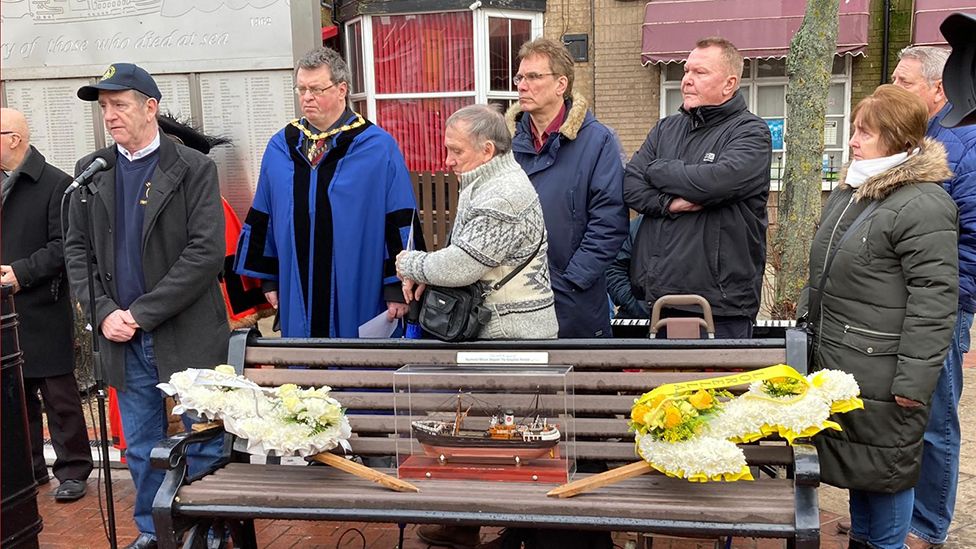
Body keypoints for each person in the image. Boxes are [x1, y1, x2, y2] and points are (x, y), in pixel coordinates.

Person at [65, 63, 229, 549]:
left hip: (187, 332)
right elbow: (77, 251)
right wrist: (103, 314)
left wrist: (140, 313)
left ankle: (209, 528)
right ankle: (154, 532)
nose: (110, 116)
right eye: (104, 108)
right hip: (122, 333)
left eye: (120, 105)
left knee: (203, 437)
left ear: (150, 107)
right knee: (139, 446)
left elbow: (204, 254)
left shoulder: (194, 168)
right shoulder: (92, 172)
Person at [800, 84, 958, 549]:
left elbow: (934, 300)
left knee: (887, 474)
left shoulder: (922, 204)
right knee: (863, 473)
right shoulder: (855, 191)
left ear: (897, 139)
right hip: (848, 366)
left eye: (864, 133)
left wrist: (912, 382)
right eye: (854, 130)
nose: (852, 141)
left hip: (886, 371)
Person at [234, 47, 423, 337]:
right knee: (303, 373)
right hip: (298, 289)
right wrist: (270, 281)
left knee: (356, 371)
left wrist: (395, 286)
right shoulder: (282, 147)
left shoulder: (375, 147)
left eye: (316, 89)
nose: (307, 97)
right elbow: (265, 213)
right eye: (301, 89)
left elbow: (399, 218)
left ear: (341, 90)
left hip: (358, 285)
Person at [623, 37, 771, 338]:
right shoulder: (666, 128)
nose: (687, 80)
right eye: (686, 71)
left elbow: (715, 182)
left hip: (719, 307)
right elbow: (631, 185)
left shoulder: (751, 133)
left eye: (699, 73)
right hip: (659, 300)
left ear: (729, 84)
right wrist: (668, 203)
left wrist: (658, 169)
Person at [892, 46, 976, 549]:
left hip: (938, 309)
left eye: (903, 82)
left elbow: (971, 245)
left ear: (937, 90)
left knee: (935, 420)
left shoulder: (964, 148)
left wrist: (943, 301)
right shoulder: (914, 141)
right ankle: (901, 514)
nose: (892, 88)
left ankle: (926, 527)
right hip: (902, 304)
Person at [396, 104, 558, 341]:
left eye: (457, 151)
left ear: (487, 150)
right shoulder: (491, 183)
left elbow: (460, 266)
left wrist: (408, 264)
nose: (448, 161)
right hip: (510, 334)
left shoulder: (502, 195)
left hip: (511, 341)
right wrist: (427, 275)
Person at [506, 37, 628, 339]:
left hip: (575, 303)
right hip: (511, 302)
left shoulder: (598, 141)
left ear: (561, 84)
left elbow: (609, 222)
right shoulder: (504, 145)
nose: (522, 85)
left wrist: (570, 281)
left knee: (580, 385)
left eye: (534, 77)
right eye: (520, 77)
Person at [0, 108, 93, 502]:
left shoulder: (58, 185)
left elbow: (66, 246)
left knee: (58, 395)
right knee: (13, 395)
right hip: (5, 313)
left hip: (42, 304)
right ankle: (28, 469)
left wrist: (22, 272)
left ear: (14, 138)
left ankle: (73, 470)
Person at [605, 215, 650, 319]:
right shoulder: (638, 225)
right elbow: (614, 268)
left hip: (691, 312)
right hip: (637, 314)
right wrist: (635, 306)